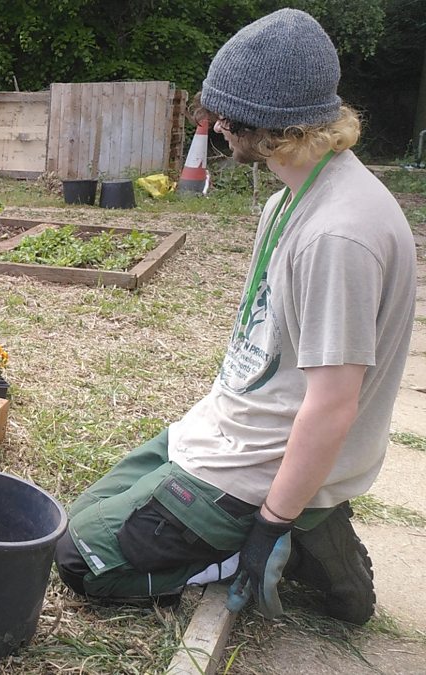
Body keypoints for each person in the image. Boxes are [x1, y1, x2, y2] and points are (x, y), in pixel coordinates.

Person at [54, 8, 415, 626]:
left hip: (260, 464)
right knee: (72, 523)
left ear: (274, 123)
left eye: (228, 113)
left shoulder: (339, 235)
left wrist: (270, 525)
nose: (217, 123)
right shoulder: (290, 200)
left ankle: (300, 527)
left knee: (84, 563)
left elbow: (334, 405)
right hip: (229, 431)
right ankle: (296, 519)